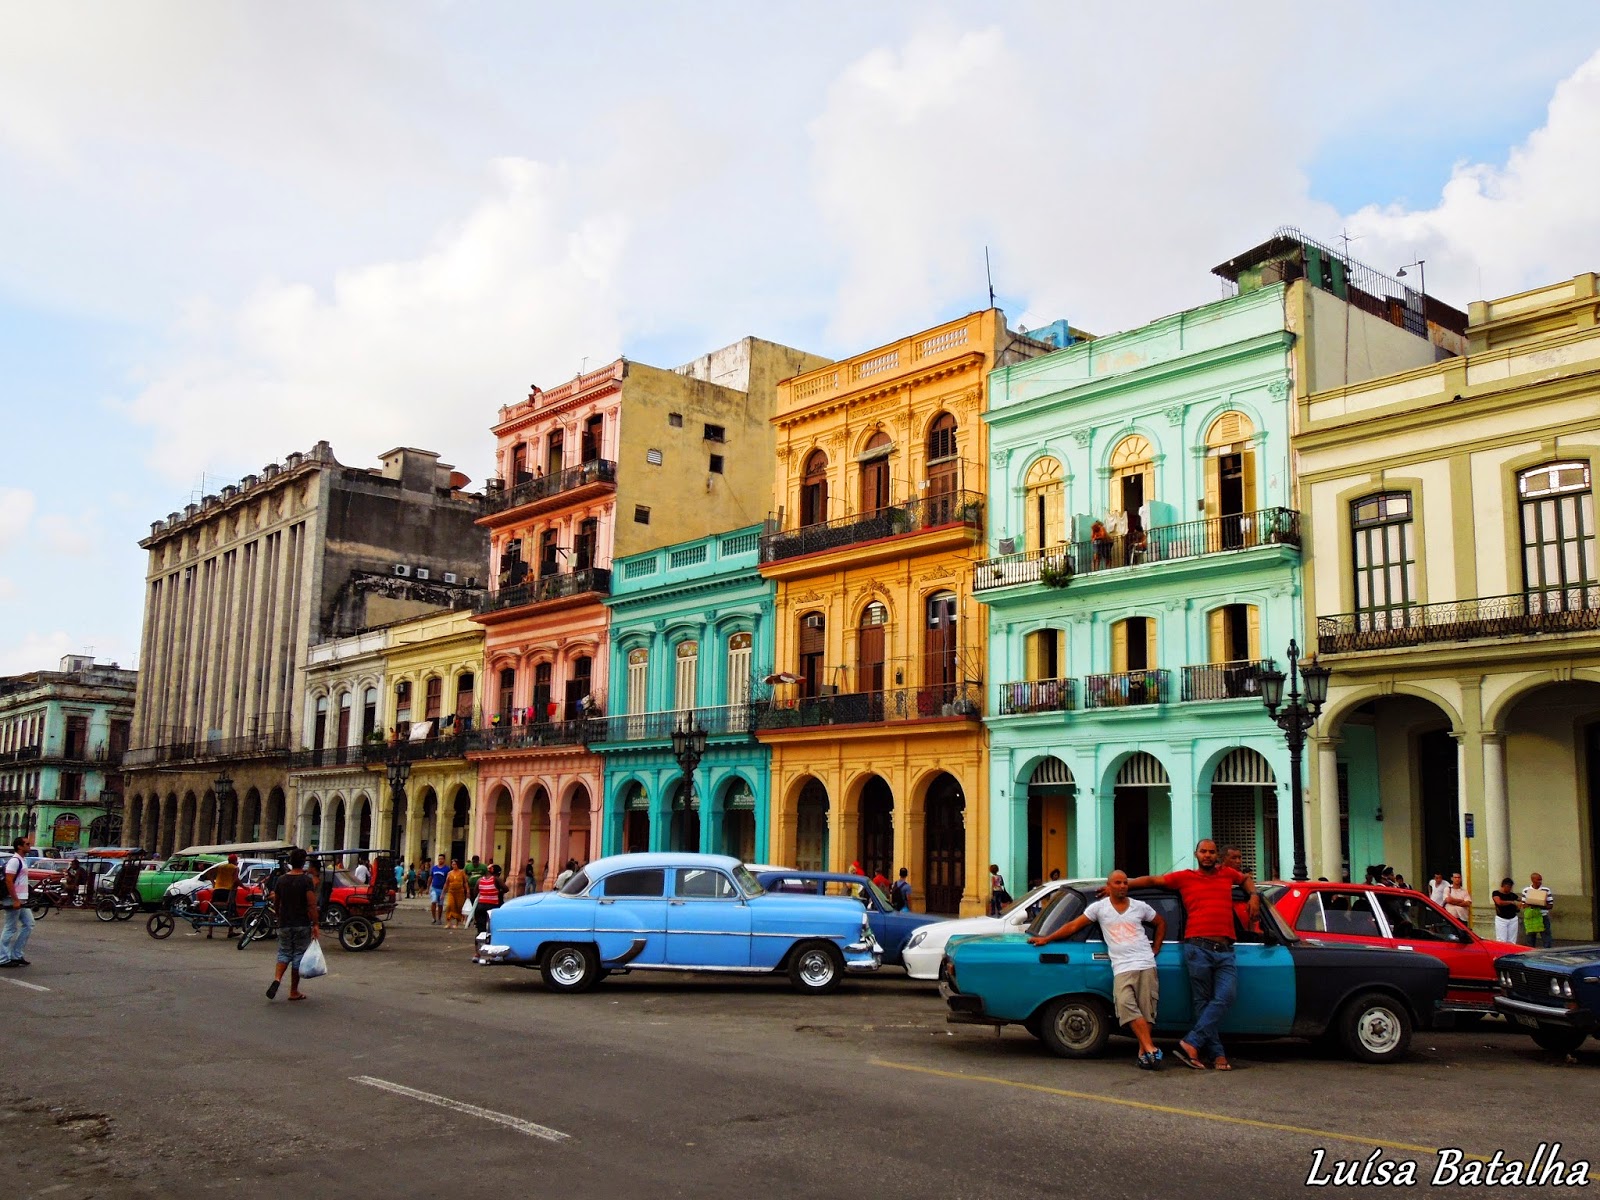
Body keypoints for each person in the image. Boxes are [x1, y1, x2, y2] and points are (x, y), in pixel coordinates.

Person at [1125, 839, 1259, 1071]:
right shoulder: (1184, 878)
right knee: (1203, 1002)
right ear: (1196, 854)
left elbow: (1245, 878)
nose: (1207, 855)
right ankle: (1217, 1054)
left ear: (1217, 855)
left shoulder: (1227, 874)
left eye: (1211, 852)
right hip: (1198, 948)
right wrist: (1121, 885)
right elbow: (1153, 880)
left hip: (1226, 949)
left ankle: (1192, 1042)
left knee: (1226, 996)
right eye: (1203, 852)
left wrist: (1254, 895)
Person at [1030, 869, 1166, 1069]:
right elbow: (1073, 926)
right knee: (1125, 1005)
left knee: (1147, 1009)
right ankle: (1151, 1048)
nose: (1122, 886)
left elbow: (1160, 922)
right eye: (1117, 883)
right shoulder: (1099, 908)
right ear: (1109, 886)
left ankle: (1144, 1052)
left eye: (1125, 883)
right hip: (1122, 966)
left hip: (1146, 962)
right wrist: (1047, 939)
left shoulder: (1139, 907)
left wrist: (1156, 947)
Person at [267, 847, 319, 1001]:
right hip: (301, 923)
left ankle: (277, 979)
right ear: (303, 863)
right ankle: (293, 991)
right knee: (298, 956)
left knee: (284, 953)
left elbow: (277, 902)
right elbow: (311, 904)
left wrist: (278, 915)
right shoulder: (306, 880)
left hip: (284, 922)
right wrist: (315, 923)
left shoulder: (281, 880)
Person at [1, 835, 35, 968]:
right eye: (27, 844)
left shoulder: (23, 860)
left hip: (21, 898)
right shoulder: (15, 861)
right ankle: (3, 958)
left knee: (29, 924)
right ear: (20, 846)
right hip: (13, 898)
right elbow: (9, 880)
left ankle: (16, 954)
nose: (29, 846)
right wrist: (15, 899)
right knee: (10, 928)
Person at [208, 853, 239, 939]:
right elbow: (236, 880)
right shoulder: (235, 868)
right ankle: (230, 931)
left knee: (213, 910)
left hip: (217, 890)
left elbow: (209, 873)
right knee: (231, 909)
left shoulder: (220, 867)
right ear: (235, 861)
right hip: (227, 891)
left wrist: (213, 883)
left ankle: (210, 932)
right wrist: (243, 886)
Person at [1521, 872, 1555, 948]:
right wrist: (1531, 903)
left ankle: (1547, 953)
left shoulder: (1546, 890)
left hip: (1543, 916)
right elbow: (1523, 905)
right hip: (1531, 917)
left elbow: (1550, 905)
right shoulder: (1526, 890)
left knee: (1546, 937)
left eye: (1541, 880)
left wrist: (1540, 904)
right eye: (1538, 880)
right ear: (1532, 880)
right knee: (1530, 938)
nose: (1540, 882)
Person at [474, 863, 503, 935]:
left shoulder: (480, 880)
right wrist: (498, 891)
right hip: (493, 906)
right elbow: (506, 889)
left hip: (481, 905)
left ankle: (480, 939)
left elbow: (475, 892)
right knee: (493, 925)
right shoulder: (496, 879)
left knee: (481, 926)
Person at [1491, 877, 1520, 944]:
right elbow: (1499, 902)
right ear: (1505, 886)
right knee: (1501, 940)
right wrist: (1511, 902)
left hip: (1513, 918)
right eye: (1509, 887)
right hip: (1501, 919)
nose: (1510, 889)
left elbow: (1520, 899)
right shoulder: (1496, 893)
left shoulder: (1512, 895)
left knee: (1512, 940)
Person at [443, 860, 469, 930]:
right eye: (453, 864)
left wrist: (468, 891)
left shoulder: (462, 872)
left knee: (459, 907)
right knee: (450, 906)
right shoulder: (449, 873)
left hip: (460, 892)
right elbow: (446, 883)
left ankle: (457, 923)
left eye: (455, 864)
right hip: (451, 892)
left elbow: (465, 882)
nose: (454, 866)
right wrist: (443, 893)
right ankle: (448, 923)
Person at [428, 854, 449, 925]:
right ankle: (433, 918)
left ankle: (439, 919)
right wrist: (428, 888)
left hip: (442, 889)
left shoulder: (447, 869)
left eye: (441, 859)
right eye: (439, 859)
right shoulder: (434, 868)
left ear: (444, 860)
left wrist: (446, 889)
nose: (440, 860)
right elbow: (430, 878)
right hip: (434, 888)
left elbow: (448, 880)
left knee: (440, 904)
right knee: (433, 902)